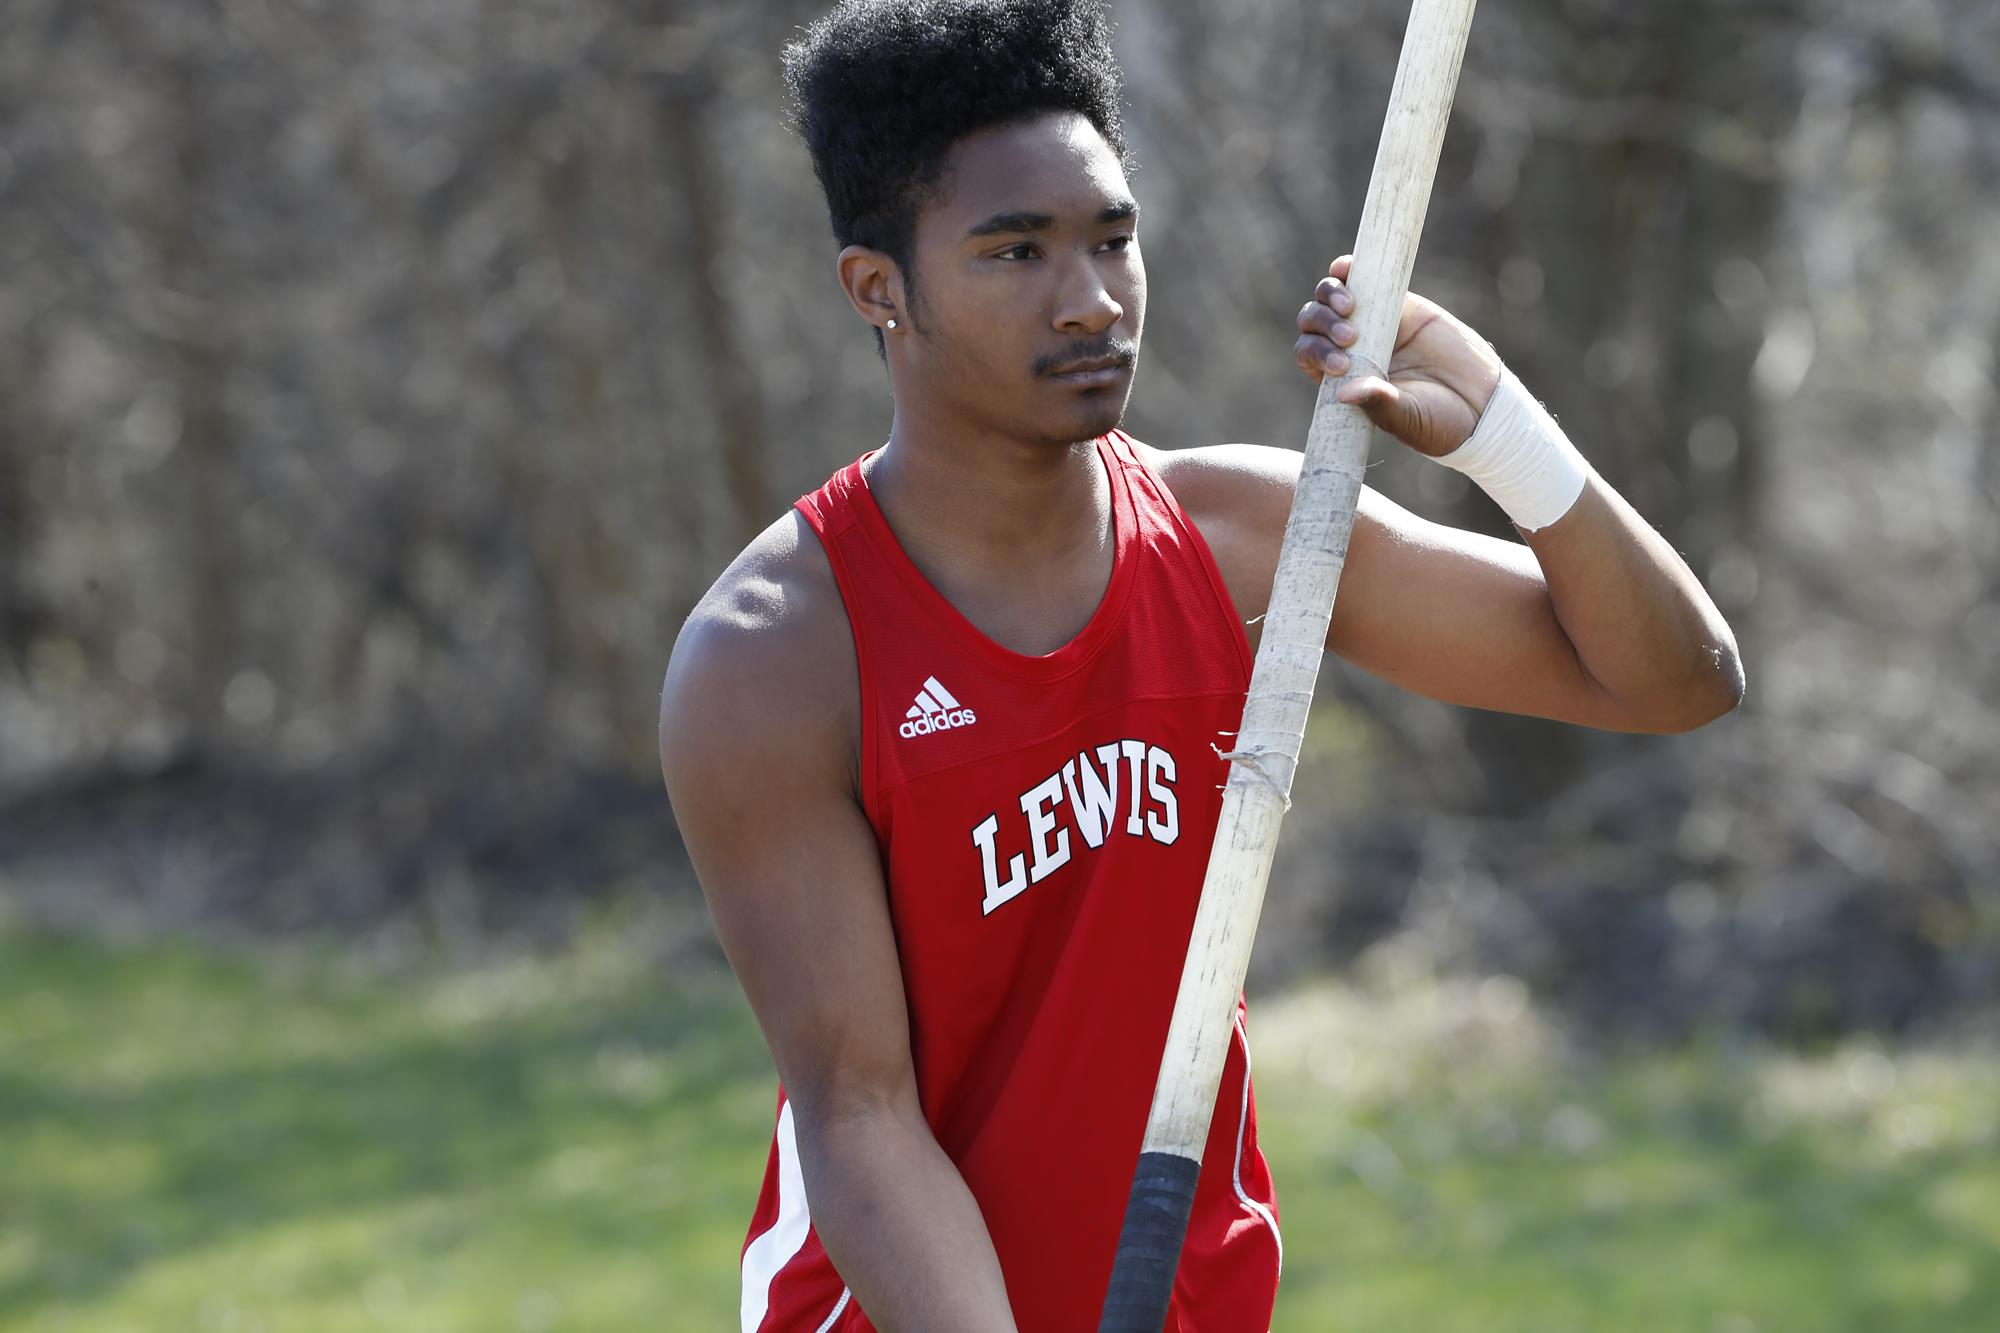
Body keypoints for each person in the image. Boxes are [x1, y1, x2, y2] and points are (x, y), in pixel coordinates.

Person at [658, 1, 1743, 1329]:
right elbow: (860, 1109)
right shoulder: (772, 653)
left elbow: (1675, 677)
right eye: (1016, 251)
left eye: (1114, 238)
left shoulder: (1240, 537)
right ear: (879, 287)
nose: (1092, 297)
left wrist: (1503, 437)